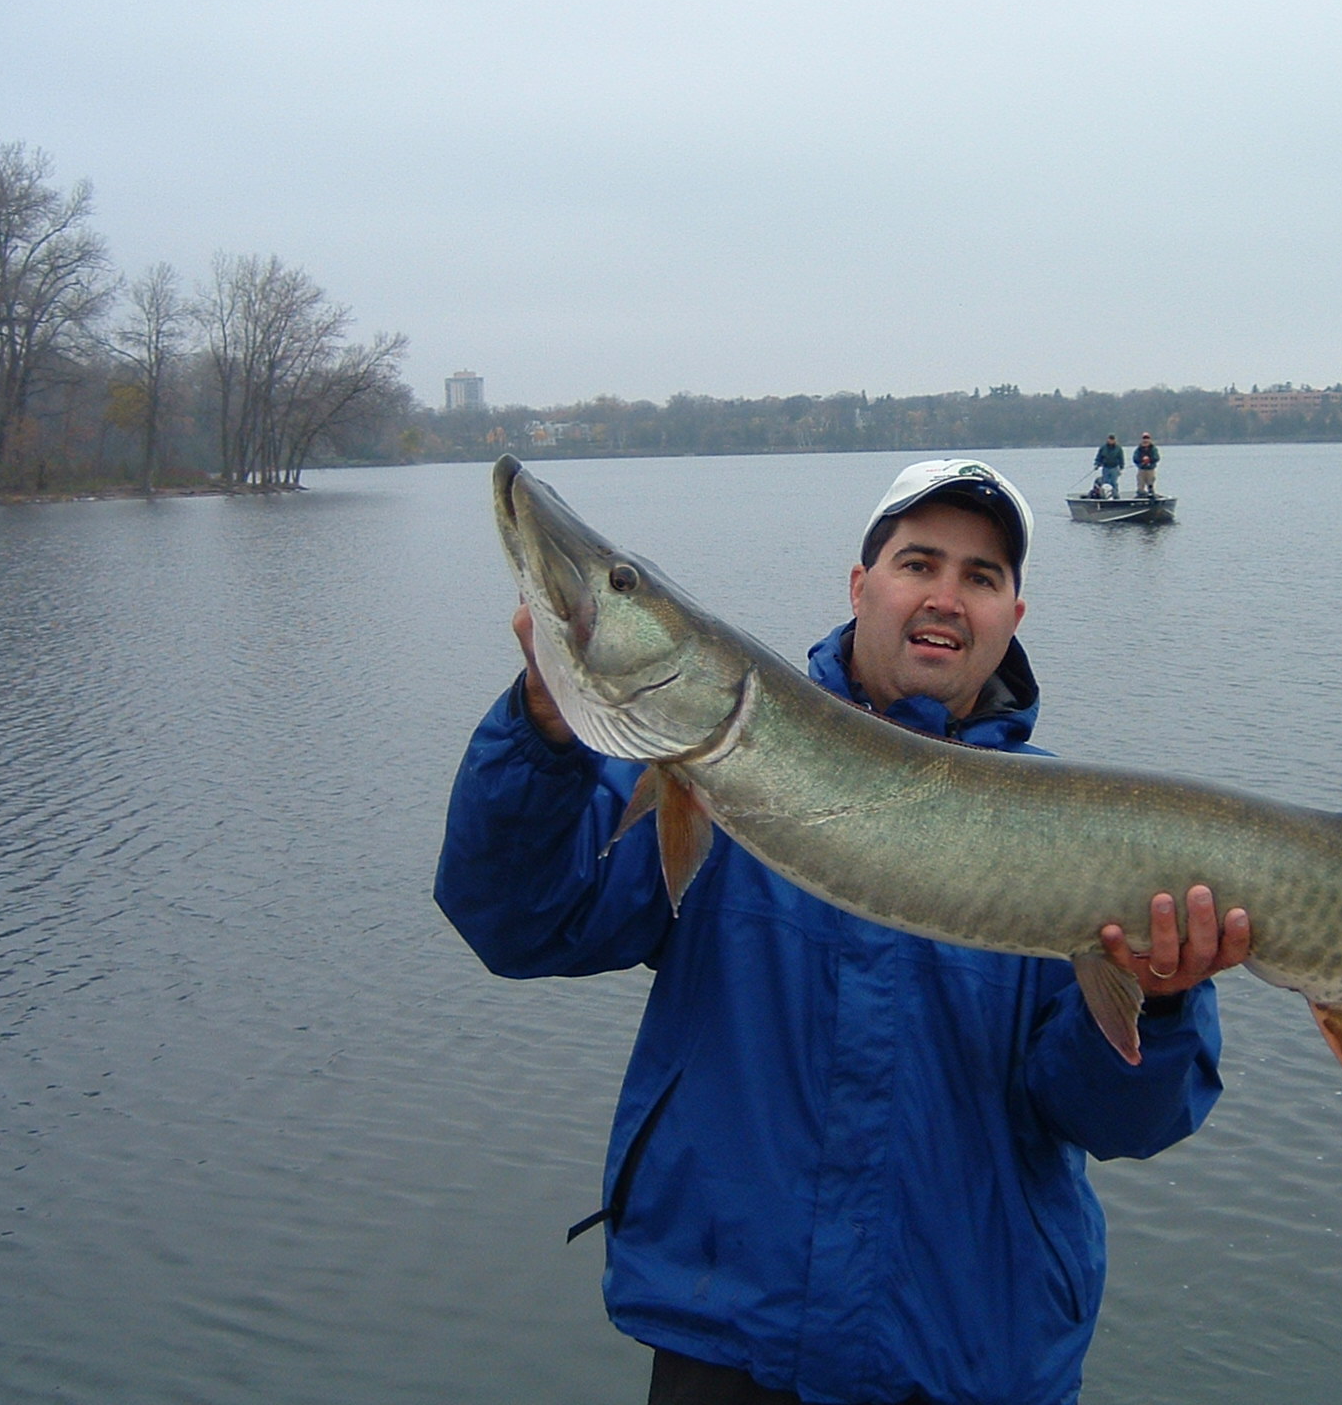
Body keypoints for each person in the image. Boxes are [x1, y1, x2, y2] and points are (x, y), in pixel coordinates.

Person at [434, 459, 1250, 1405]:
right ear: (860, 587)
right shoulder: (699, 781)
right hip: (731, 1345)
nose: (947, 596)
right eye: (919, 563)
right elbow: (520, 922)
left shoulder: (1073, 835)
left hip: (972, 1361)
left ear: (1012, 620)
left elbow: (1116, 1118)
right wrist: (544, 723)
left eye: (981, 578)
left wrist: (1161, 995)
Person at [1133, 432, 1160, 497]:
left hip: (1150, 469)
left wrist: (1149, 460)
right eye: (1144, 438)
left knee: (1150, 482)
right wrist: (1142, 460)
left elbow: (1157, 458)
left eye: (1147, 438)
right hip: (1141, 469)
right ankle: (1140, 493)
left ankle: (1151, 493)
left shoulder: (1153, 449)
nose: (1146, 440)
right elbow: (1135, 458)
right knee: (1140, 482)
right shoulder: (1139, 449)